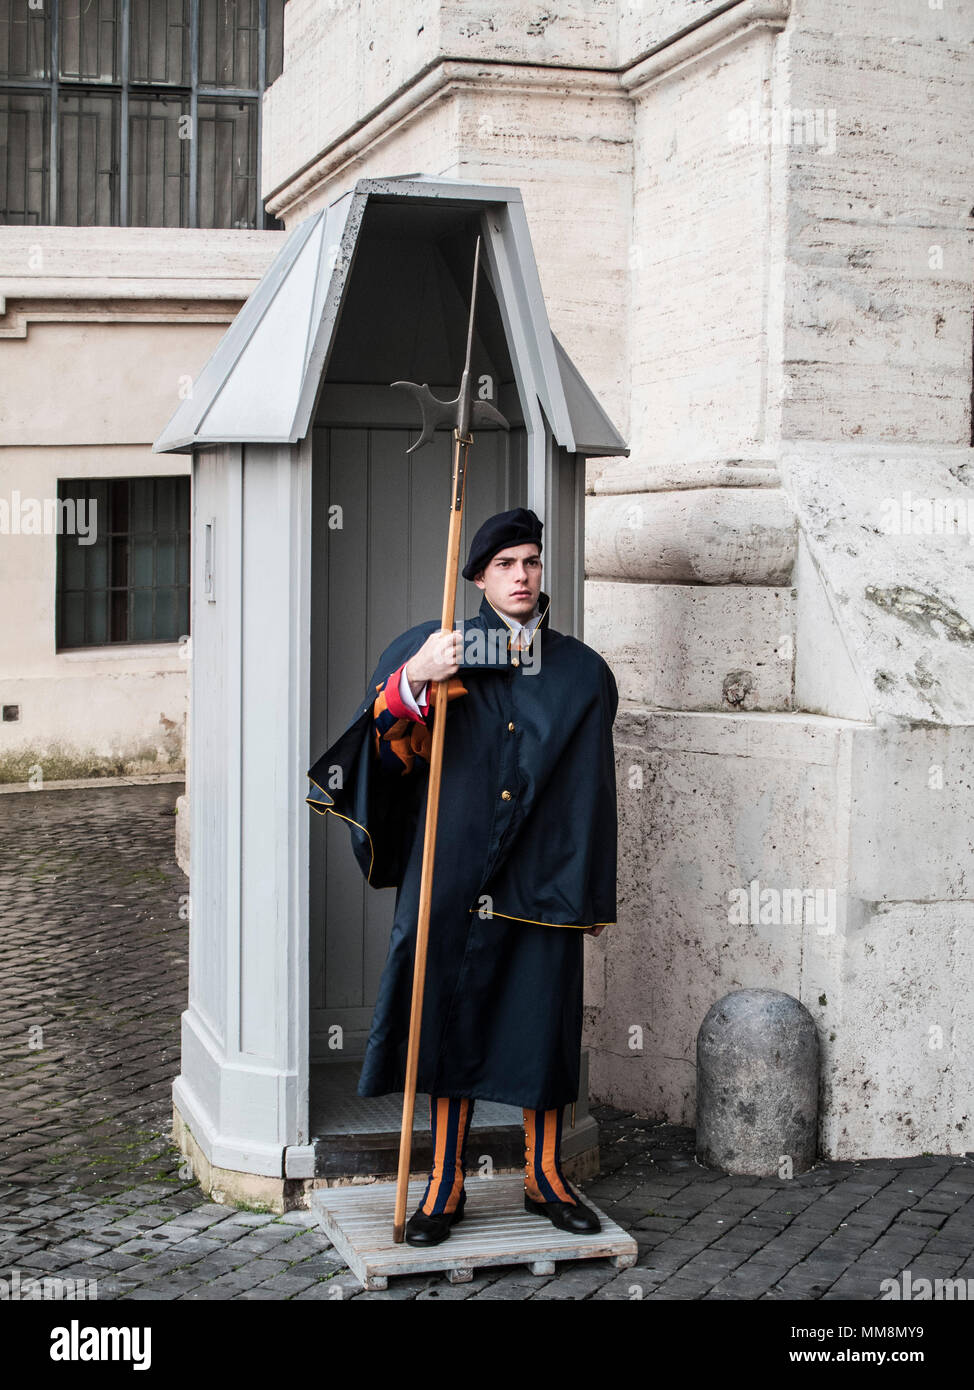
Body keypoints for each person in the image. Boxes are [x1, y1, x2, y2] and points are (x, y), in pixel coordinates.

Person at [306, 506, 618, 1246]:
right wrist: (413, 681)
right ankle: (444, 1185)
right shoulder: (432, 647)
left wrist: (586, 885)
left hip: (545, 883)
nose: (521, 575)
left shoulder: (583, 673)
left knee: (542, 1026)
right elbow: (382, 755)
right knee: (446, 1023)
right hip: (451, 876)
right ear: (478, 576)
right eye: (505, 563)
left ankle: (545, 1177)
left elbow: (591, 792)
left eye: (532, 562)